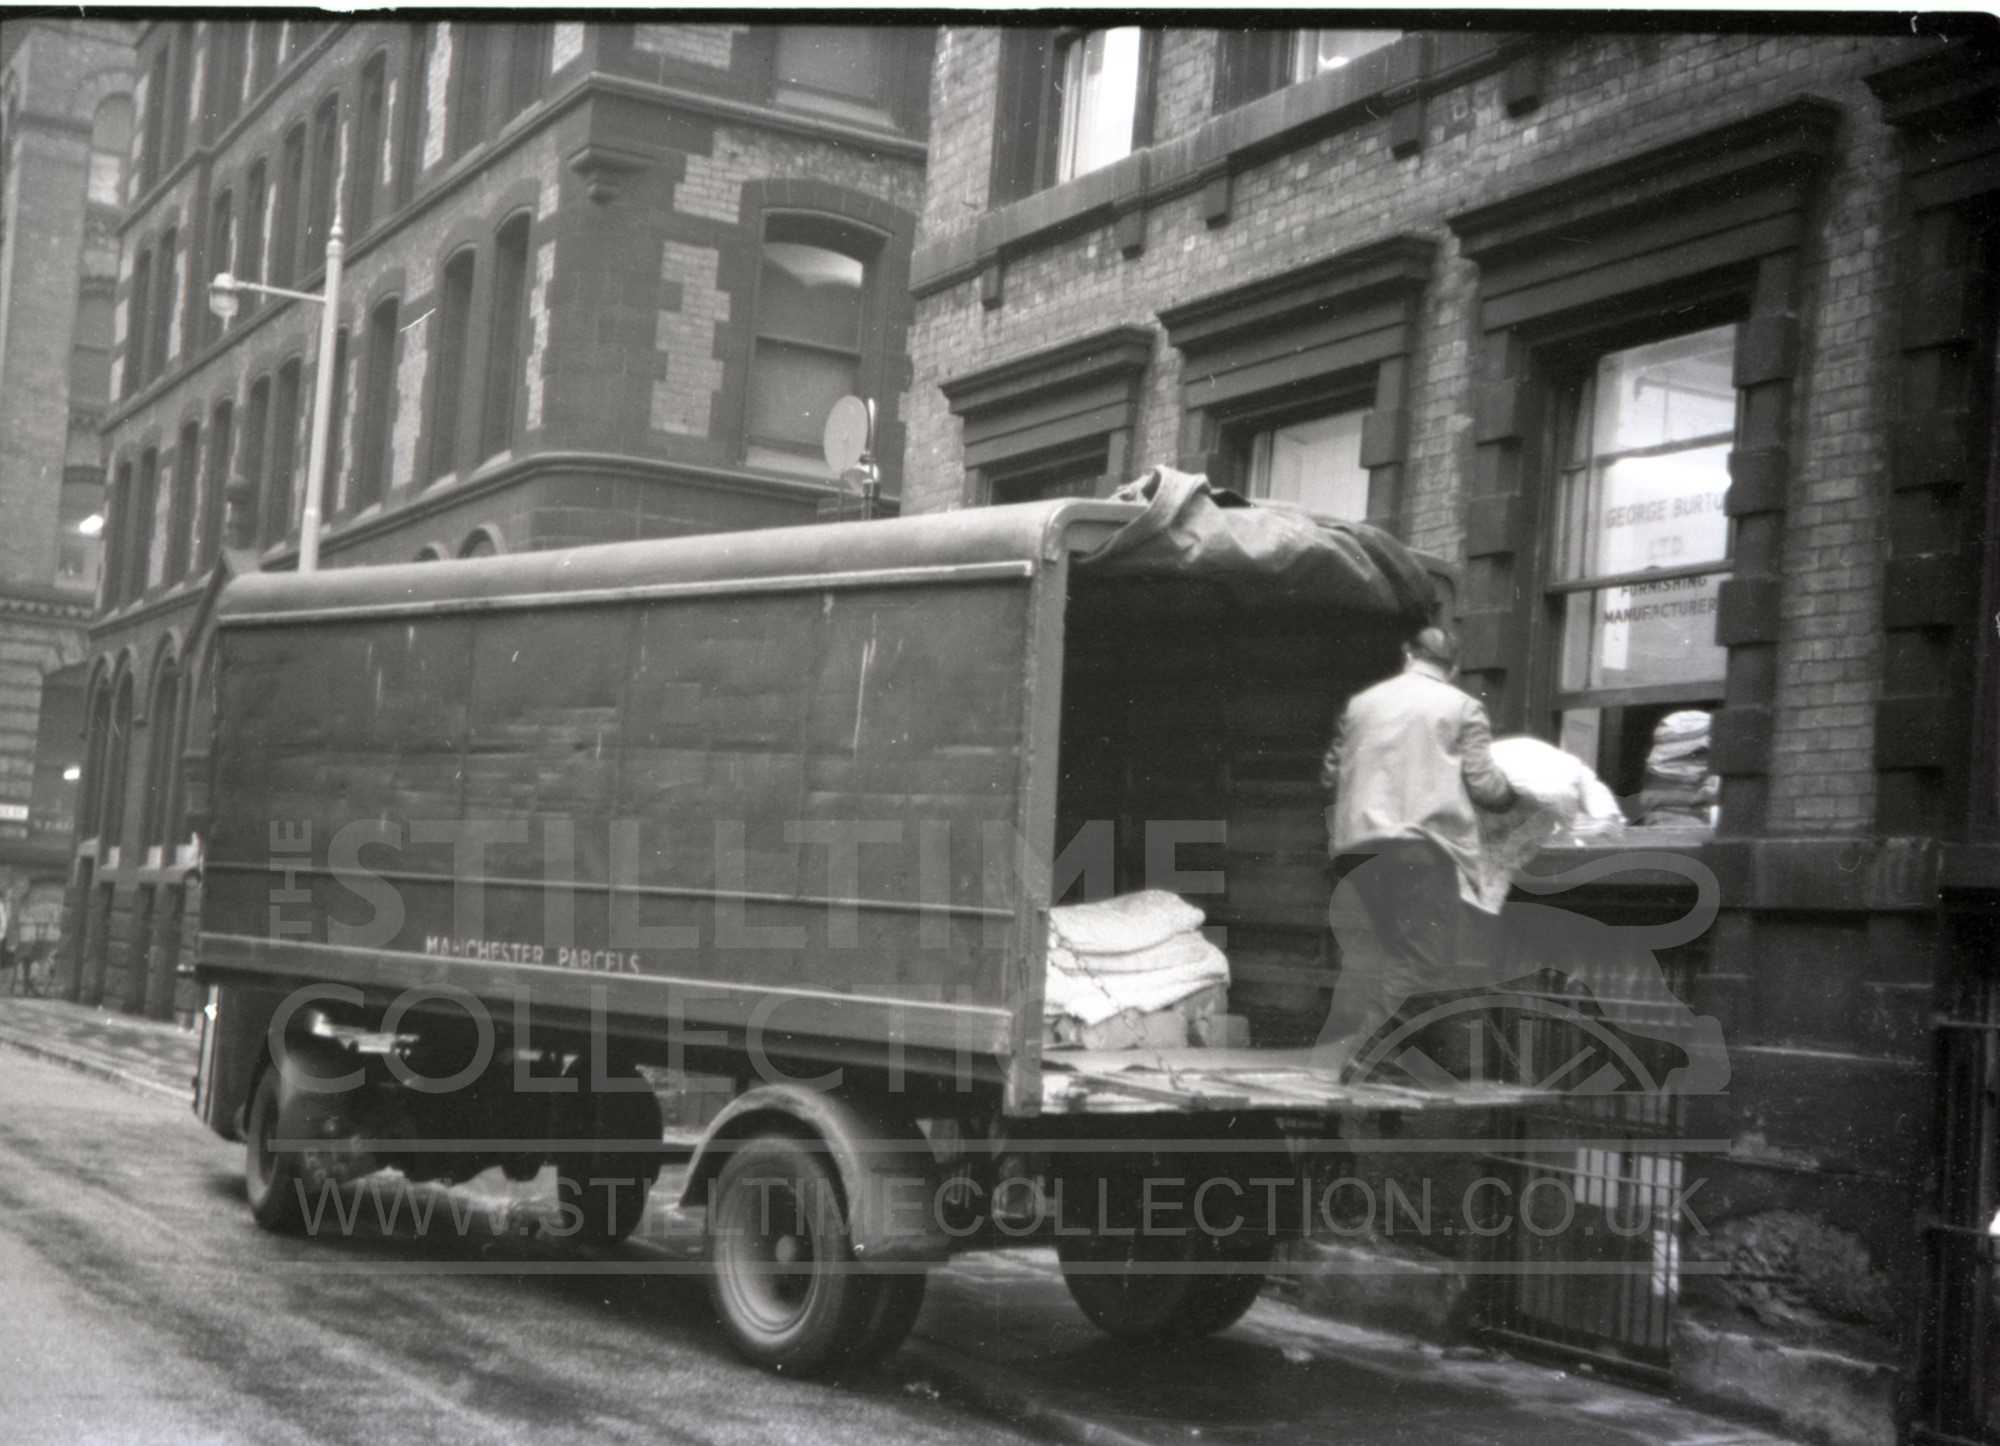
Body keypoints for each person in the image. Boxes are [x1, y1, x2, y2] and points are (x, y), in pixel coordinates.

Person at [1316, 626, 1518, 1077]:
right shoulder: (1464, 707)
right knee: (1423, 960)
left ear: (1408, 654)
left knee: (1402, 957)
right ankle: (1368, 1058)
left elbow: (1330, 774)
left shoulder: (1360, 705)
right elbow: (1485, 785)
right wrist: (1514, 798)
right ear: (1454, 667)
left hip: (1357, 848)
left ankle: (1399, 1059)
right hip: (1420, 851)